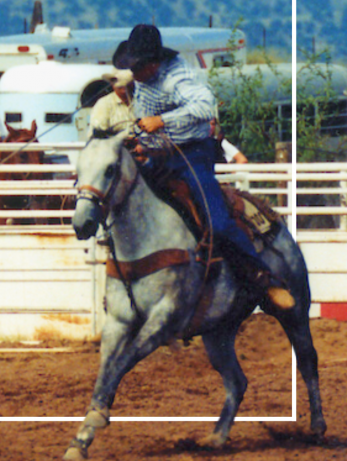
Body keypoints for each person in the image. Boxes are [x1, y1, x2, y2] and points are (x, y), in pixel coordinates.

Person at [115, 24, 293, 309]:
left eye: (137, 66)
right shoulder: (143, 83)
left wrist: (162, 121)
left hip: (193, 152)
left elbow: (205, 105)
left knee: (218, 221)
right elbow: (145, 122)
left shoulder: (177, 77)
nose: (133, 72)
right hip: (159, 152)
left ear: (153, 63)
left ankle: (263, 277)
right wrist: (141, 142)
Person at [90, 68, 136, 135]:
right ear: (112, 84)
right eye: (115, 80)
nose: (124, 87)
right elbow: (98, 133)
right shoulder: (104, 104)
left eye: (128, 82)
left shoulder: (141, 101)